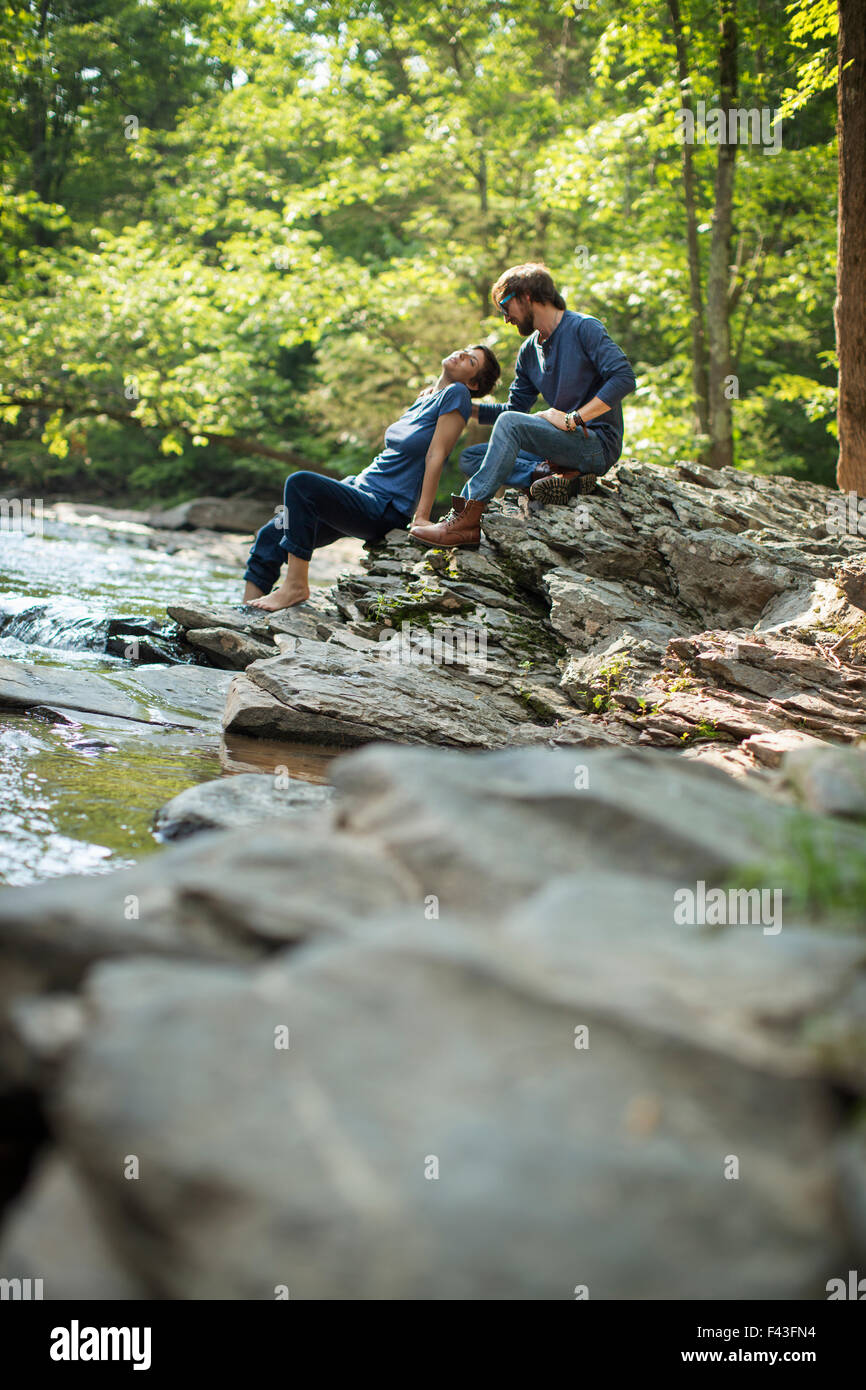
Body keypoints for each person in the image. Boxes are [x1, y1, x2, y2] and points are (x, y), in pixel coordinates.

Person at [243, 343, 500, 610]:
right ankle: (245, 614)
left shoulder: (457, 395)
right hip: (359, 488)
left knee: (301, 484)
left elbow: (436, 455)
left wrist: (421, 517)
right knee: (269, 536)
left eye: (471, 361)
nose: (461, 354)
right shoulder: (425, 398)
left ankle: (295, 586)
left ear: (472, 384)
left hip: (384, 506)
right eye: (465, 350)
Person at [410, 262, 636, 550]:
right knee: (473, 458)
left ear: (527, 295)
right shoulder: (529, 351)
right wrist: (461, 405)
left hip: (597, 444)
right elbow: (511, 412)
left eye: (505, 306)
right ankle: (553, 476)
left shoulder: (583, 328)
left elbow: (624, 378)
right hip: (562, 444)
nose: (505, 318)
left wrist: (574, 419)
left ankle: (464, 521)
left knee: (509, 430)